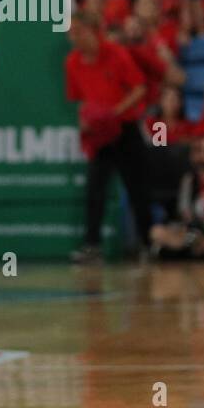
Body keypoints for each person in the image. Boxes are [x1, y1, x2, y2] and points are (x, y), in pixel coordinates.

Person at [64, 15, 153, 262]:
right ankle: (92, 246)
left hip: (125, 129)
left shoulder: (116, 54)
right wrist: (85, 119)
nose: (75, 37)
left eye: (79, 30)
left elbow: (140, 88)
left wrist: (114, 112)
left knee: (137, 188)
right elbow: (78, 99)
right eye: (70, 33)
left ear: (93, 31)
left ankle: (147, 243)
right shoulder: (72, 63)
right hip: (99, 135)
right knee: (94, 189)